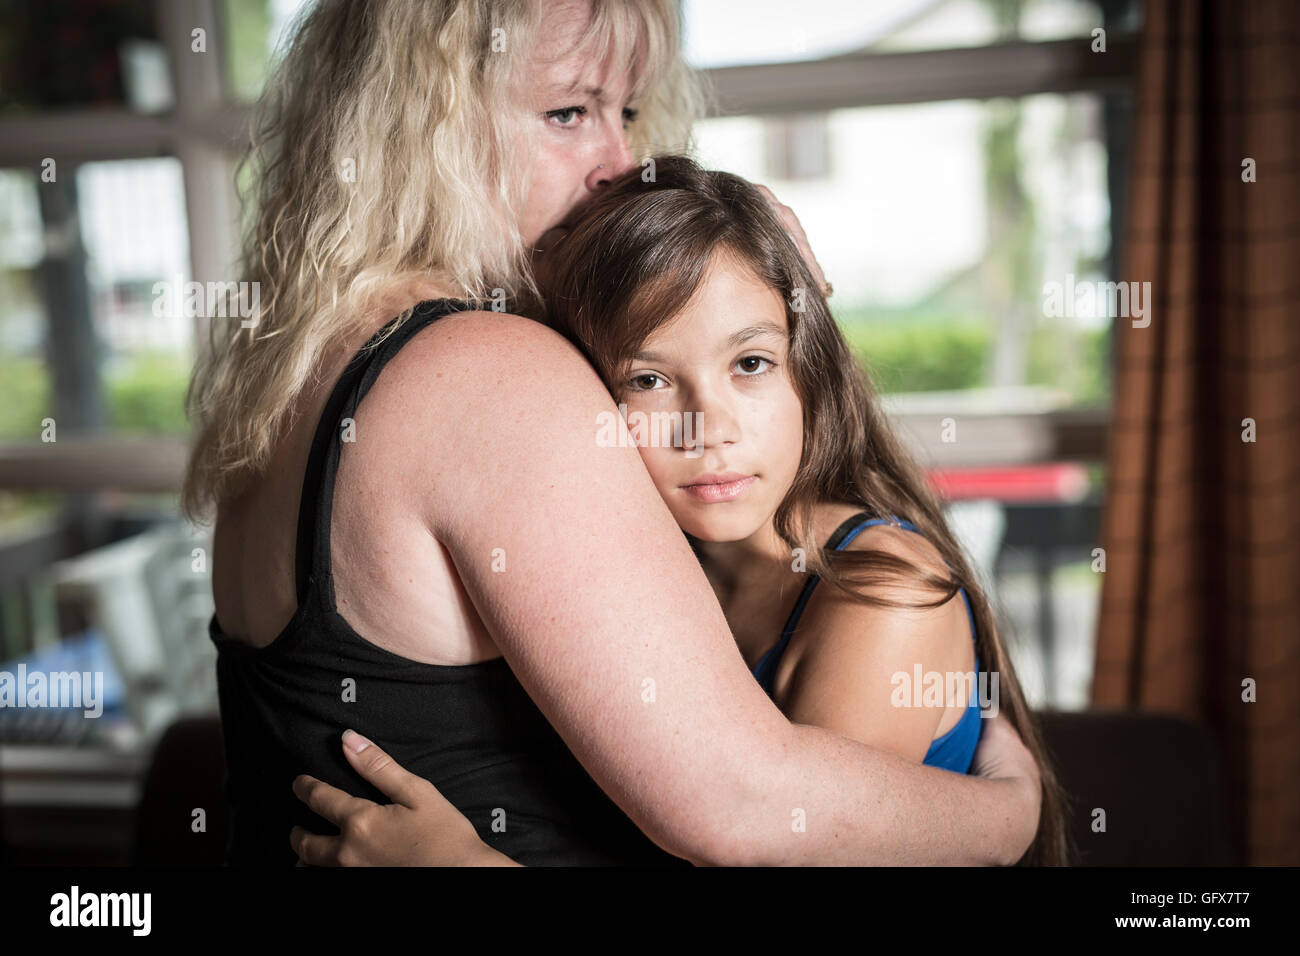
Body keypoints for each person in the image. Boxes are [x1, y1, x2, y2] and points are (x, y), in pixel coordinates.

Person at [184, 0, 1045, 867]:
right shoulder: (487, 371)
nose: (619, 164)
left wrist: (724, 243)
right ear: (422, 125)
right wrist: (1006, 818)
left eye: (626, 112)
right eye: (567, 112)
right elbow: (746, 806)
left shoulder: (294, 378)